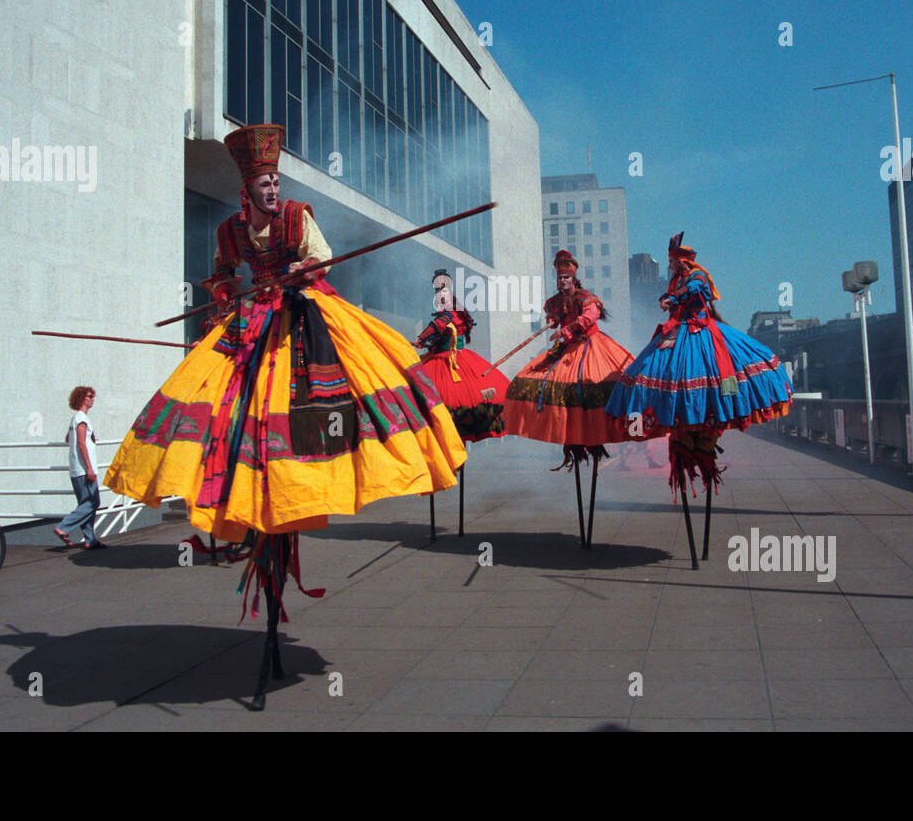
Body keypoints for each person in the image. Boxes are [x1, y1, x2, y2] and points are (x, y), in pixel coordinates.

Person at [105, 124, 466, 703]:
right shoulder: (231, 229)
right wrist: (225, 294)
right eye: (263, 185)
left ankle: (318, 468)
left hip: (303, 321)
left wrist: (304, 272)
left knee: (329, 397)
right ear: (246, 193)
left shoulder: (299, 217)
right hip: (252, 327)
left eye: (276, 181)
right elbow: (222, 275)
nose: (272, 191)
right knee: (231, 407)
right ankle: (252, 506)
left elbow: (321, 259)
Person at [606, 232, 793, 493]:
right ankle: (681, 434)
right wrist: (665, 298)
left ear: (682, 261)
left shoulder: (697, 276)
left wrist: (674, 298)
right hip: (677, 333)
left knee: (716, 376)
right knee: (660, 375)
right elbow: (673, 294)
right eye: (670, 262)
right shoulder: (676, 280)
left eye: (672, 261)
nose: (670, 265)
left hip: (701, 333)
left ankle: (710, 428)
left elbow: (693, 290)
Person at [501, 250, 641, 546]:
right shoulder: (555, 301)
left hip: (589, 348)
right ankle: (570, 434)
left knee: (597, 386)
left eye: (566, 277)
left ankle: (596, 431)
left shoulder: (585, 297)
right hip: (565, 351)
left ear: (574, 277)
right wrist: (554, 322)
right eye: (560, 277)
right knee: (533, 382)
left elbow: (590, 318)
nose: (563, 281)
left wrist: (568, 328)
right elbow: (554, 318)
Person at [413, 269, 509, 537]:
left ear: (451, 291)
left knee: (454, 402)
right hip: (440, 363)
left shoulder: (451, 315)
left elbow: (438, 327)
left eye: (443, 289)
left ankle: (455, 446)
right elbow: (436, 331)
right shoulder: (452, 313)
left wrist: (420, 340)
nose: (440, 294)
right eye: (436, 290)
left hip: (454, 366)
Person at [56, 386, 106, 549]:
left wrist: (91, 439)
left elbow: (69, 438)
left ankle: (90, 539)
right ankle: (64, 526)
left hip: (77, 469)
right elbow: (81, 444)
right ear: (81, 399)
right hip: (84, 470)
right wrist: (90, 468)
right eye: (89, 396)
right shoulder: (81, 418)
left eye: (92, 396)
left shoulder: (76, 419)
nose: (92, 399)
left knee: (86, 504)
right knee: (93, 502)